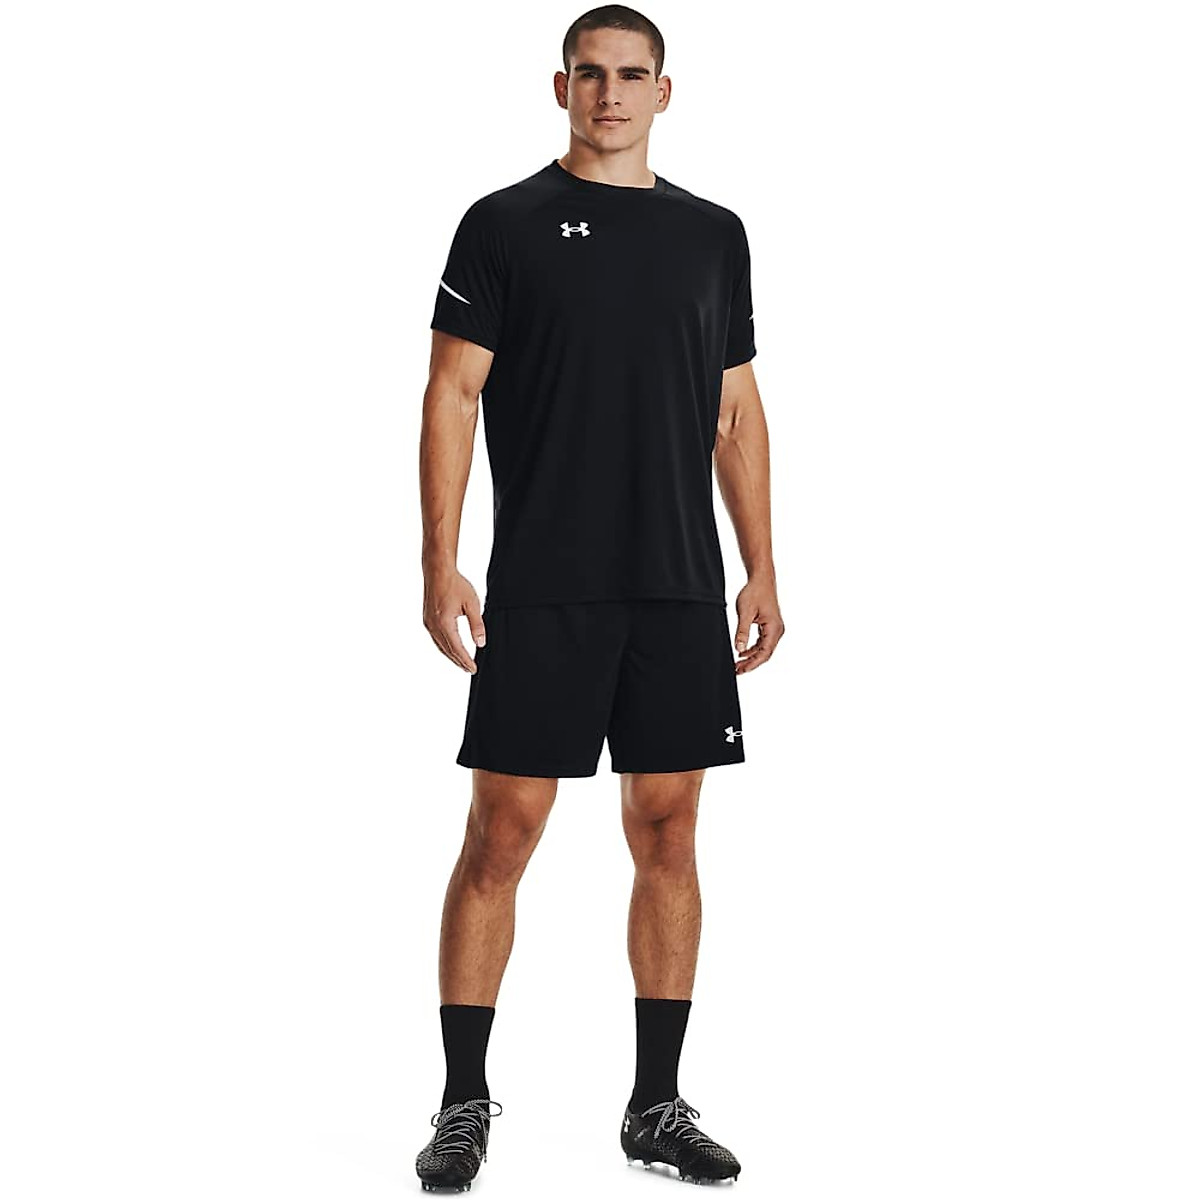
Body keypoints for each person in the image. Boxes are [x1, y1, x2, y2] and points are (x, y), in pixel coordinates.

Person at [416, 4, 783, 1190]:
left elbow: (736, 411)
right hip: (544, 584)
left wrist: (763, 563)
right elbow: (451, 394)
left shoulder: (714, 235)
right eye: (590, 73)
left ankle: (655, 1106)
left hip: (677, 587)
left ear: (663, 93)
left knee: (669, 830)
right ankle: (462, 1103)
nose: (610, 93)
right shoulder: (503, 225)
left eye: (631, 74)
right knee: (501, 834)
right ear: (561, 87)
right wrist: (438, 560)